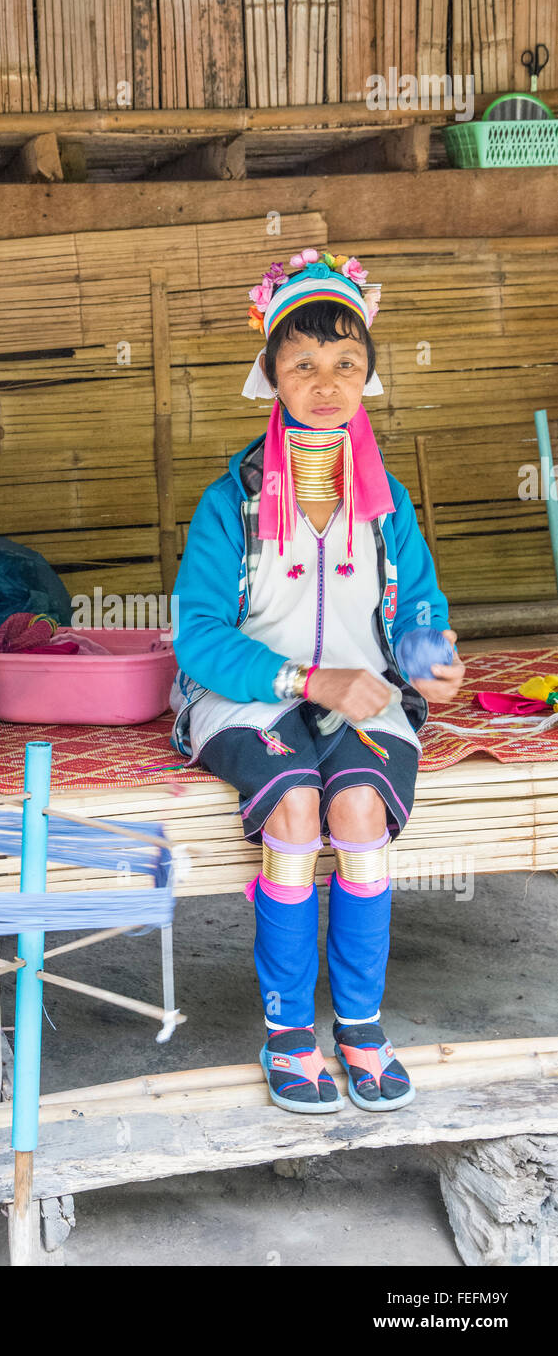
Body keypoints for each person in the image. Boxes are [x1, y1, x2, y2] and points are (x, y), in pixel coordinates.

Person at [169, 248, 465, 1114]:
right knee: (296, 807)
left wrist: (426, 661)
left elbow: (417, 612)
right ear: (270, 375)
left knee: (358, 813)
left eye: (345, 363)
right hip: (249, 692)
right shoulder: (232, 499)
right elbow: (196, 639)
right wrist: (308, 678)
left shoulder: (386, 504)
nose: (325, 382)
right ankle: (289, 1033)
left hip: (361, 690)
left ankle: (363, 1029)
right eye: (302, 363)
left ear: (368, 376)